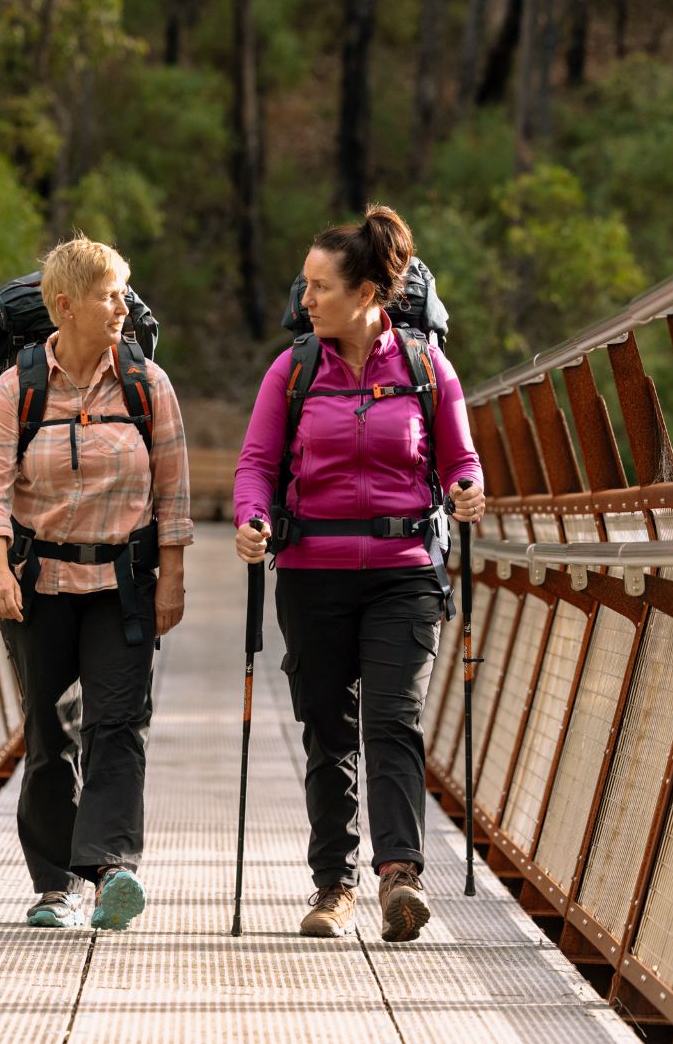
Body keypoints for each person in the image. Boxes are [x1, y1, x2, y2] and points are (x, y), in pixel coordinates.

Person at [233, 205, 485, 943]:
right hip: (311, 573)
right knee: (328, 729)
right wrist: (252, 518)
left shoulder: (425, 368)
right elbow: (256, 465)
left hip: (404, 573)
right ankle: (333, 886)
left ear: (367, 293)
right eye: (305, 285)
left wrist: (468, 487)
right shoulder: (293, 370)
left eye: (320, 287)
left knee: (392, 720)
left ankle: (399, 875)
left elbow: (460, 459)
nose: (304, 299)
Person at [0, 236, 192, 931]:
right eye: (109, 296)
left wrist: (172, 579)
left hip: (121, 584)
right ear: (65, 305)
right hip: (38, 584)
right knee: (49, 733)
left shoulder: (147, 384)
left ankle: (111, 869)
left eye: (124, 293)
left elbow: (174, 494)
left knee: (117, 724)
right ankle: (56, 884)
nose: (123, 307)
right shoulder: (18, 388)